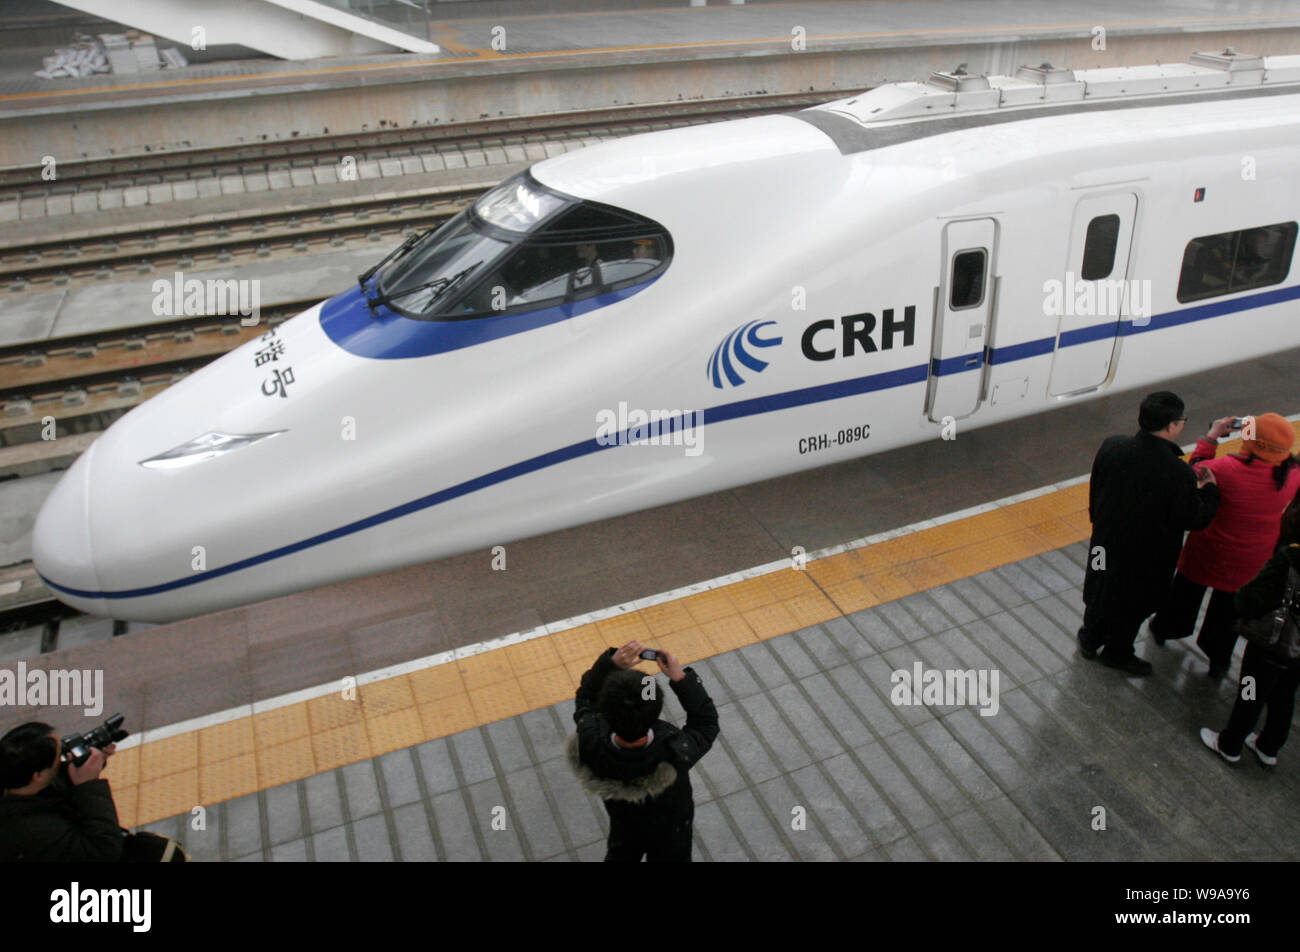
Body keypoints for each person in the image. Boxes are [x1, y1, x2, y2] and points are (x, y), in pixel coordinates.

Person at [1078, 391, 1221, 676]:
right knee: (1133, 605)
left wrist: (1099, 521)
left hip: (1105, 543)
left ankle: (1090, 639)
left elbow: (1096, 490)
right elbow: (1193, 518)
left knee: (1100, 591)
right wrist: (1210, 493)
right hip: (1147, 558)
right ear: (1171, 426)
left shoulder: (1113, 446)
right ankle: (1118, 654)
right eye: (1182, 422)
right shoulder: (1178, 473)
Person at [1150, 412, 1300, 677]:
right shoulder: (1293, 474)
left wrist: (1212, 437)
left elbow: (1195, 469)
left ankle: (1166, 629)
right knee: (1227, 613)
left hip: (1209, 550)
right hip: (1251, 560)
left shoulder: (1226, 469)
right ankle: (1218, 660)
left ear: (1254, 441)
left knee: (1184, 595)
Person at [567, 640, 719, 862]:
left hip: (624, 820)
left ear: (606, 712)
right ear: (655, 711)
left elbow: (586, 698)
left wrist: (608, 666)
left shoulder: (590, 740)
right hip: (671, 825)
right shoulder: (675, 752)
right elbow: (706, 723)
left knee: (622, 850)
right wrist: (682, 679)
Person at [1201, 519, 1300, 766]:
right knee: (1284, 696)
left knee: (1250, 691)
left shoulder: (1290, 558)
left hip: (1273, 643)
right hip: (1297, 650)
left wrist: (1242, 606)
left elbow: (1251, 598)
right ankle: (1268, 747)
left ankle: (1230, 744)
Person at [0, 721, 125, 861]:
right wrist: (89, 785)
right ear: (38, 775)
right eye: (59, 757)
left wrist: (86, 764)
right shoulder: (32, 832)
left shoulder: (18, 781)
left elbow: (55, 777)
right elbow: (104, 850)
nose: (62, 761)